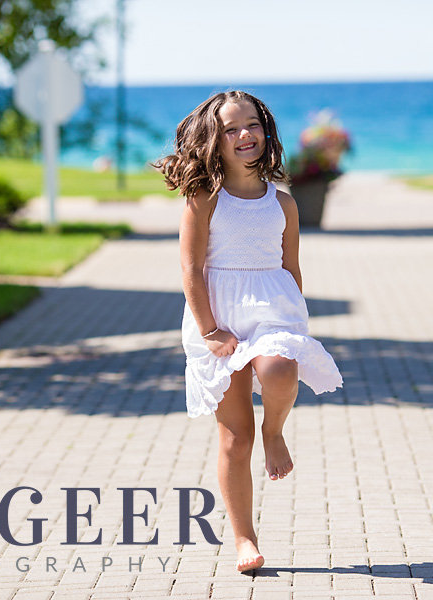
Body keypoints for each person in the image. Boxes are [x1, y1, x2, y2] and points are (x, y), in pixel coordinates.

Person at [155, 90, 343, 573]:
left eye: (253, 124)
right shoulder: (204, 200)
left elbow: (290, 267)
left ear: (267, 130)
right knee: (236, 439)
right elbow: (190, 270)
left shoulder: (283, 203)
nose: (245, 134)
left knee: (280, 369)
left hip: (272, 309)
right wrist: (210, 330)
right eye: (232, 128)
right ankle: (244, 539)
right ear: (213, 139)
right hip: (217, 317)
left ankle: (274, 431)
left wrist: (296, 323)